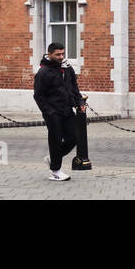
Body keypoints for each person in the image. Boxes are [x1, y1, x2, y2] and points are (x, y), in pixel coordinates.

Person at [33, 42, 85, 181]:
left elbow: (74, 87)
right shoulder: (43, 72)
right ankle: (56, 171)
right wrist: (48, 111)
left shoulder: (67, 68)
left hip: (67, 109)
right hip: (53, 112)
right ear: (49, 54)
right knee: (55, 140)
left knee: (74, 138)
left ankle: (53, 158)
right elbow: (38, 95)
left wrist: (80, 102)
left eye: (63, 53)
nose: (61, 56)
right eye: (58, 54)